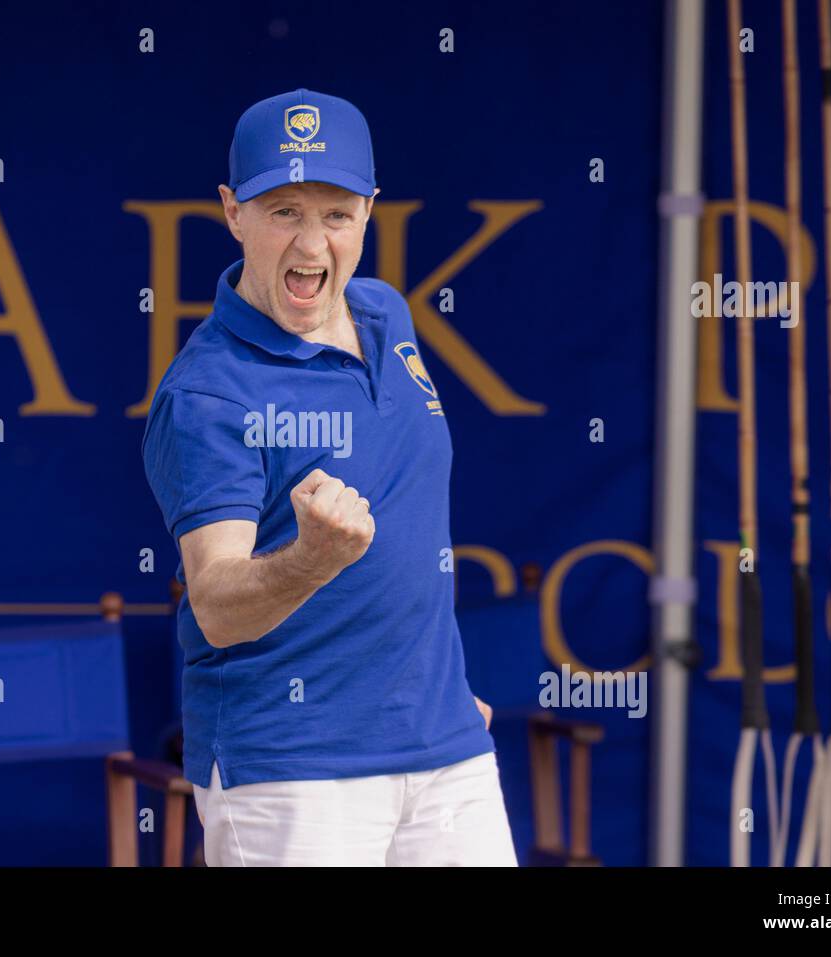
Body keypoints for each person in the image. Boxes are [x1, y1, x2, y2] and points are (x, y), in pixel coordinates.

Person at [142, 88, 517, 866]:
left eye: (336, 214)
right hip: (291, 768)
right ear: (232, 211)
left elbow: (410, 524)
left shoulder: (386, 315)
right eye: (283, 210)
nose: (312, 245)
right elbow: (214, 607)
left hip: (444, 752)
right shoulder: (207, 392)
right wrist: (312, 558)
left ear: (370, 212)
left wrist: (431, 690)